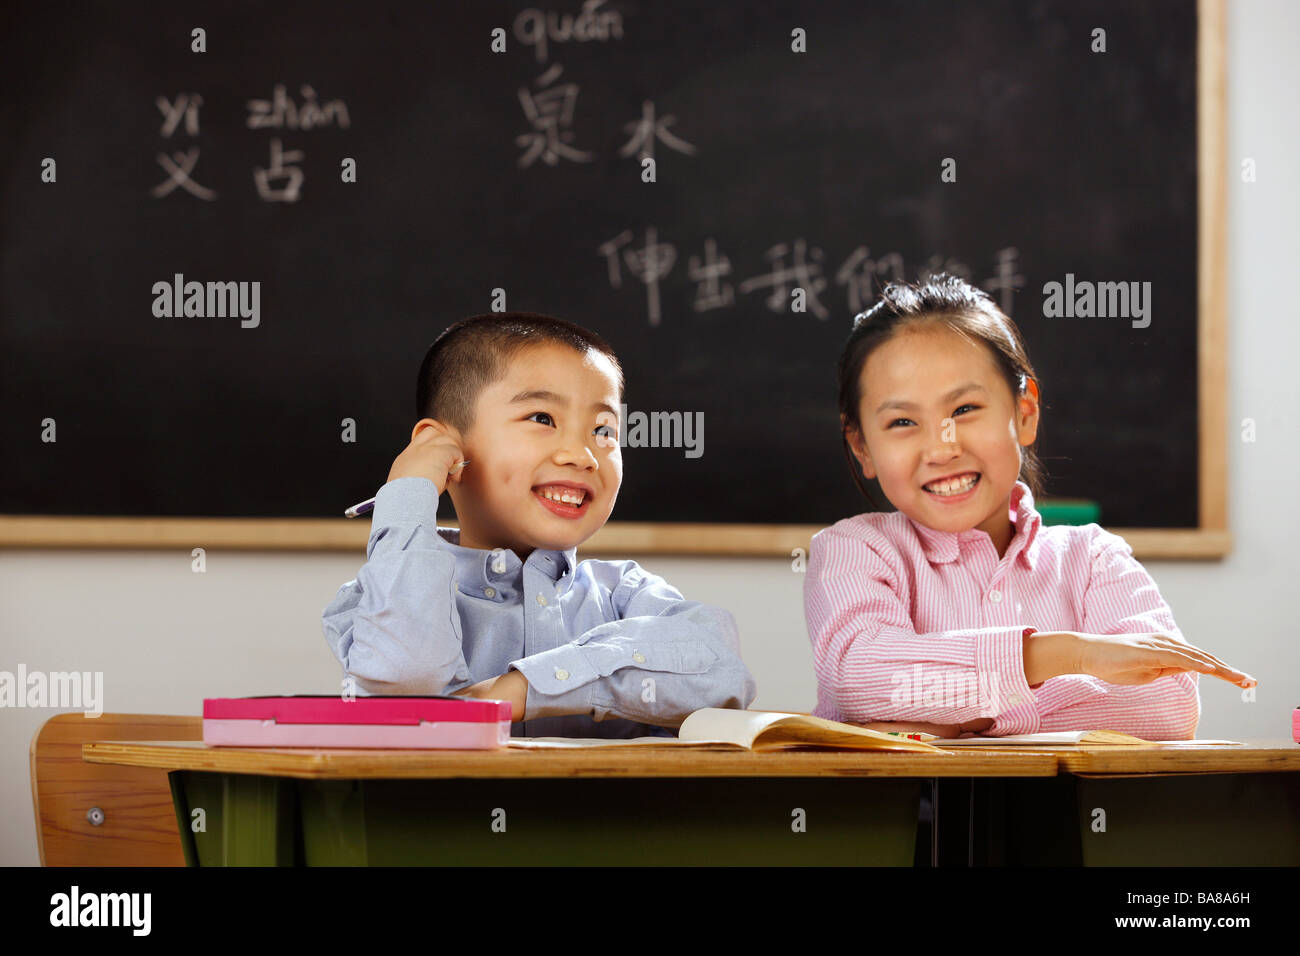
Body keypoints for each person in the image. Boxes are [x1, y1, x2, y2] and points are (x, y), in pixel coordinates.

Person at [805, 275, 1253, 739]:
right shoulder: (853, 551)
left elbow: (1168, 704)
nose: (942, 448)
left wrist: (975, 720)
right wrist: (1073, 655)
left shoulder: (1094, 559)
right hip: (900, 812)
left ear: (1025, 413)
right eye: (902, 421)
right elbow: (858, 678)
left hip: (1069, 813)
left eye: (964, 410)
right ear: (861, 445)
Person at [322, 312, 755, 738]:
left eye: (604, 429)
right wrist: (407, 494)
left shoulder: (625, 594)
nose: (582, 454)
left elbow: (721, 670)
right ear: (444, 448)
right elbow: (406, 678)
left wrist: (524, 689)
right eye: (543, 419)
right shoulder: (373, 595)